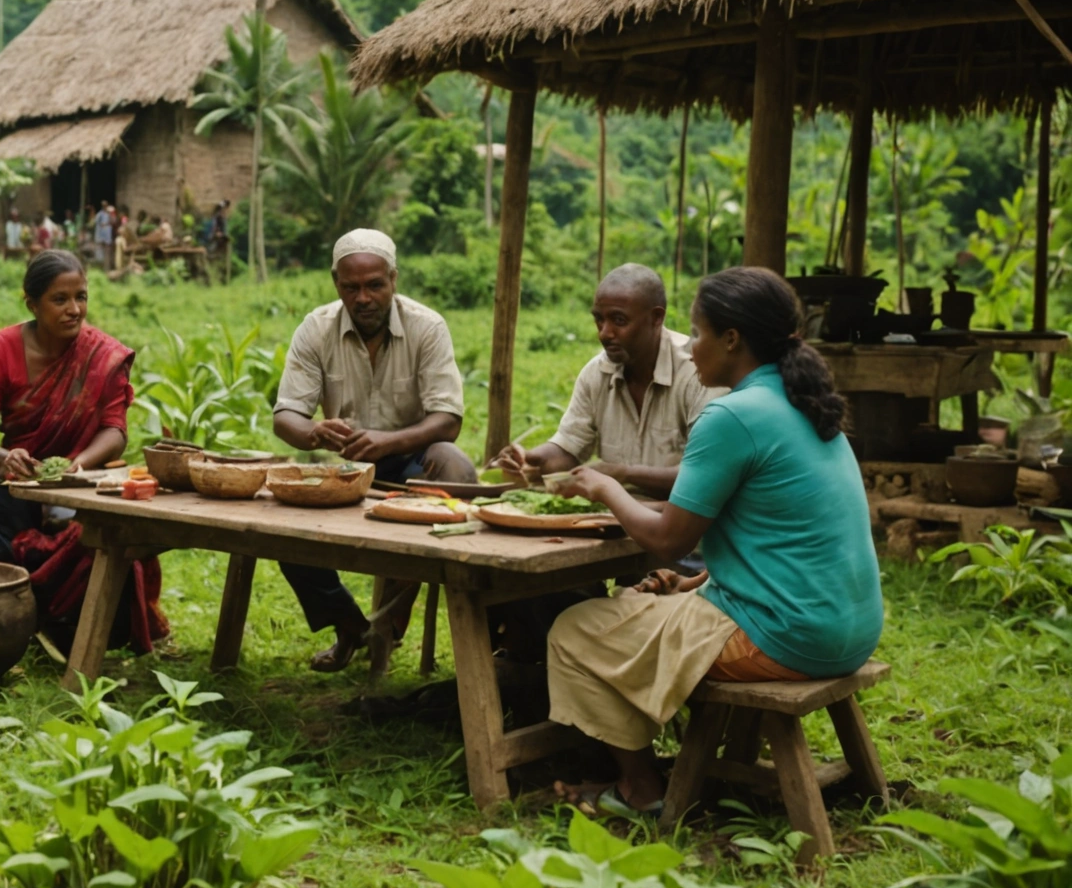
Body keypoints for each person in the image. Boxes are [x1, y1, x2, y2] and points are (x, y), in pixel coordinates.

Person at [546, 267, 883, 819]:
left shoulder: (731, 416)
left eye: (697, 333)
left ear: (732, 340)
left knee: (575, 631)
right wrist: (700, 580)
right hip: (850, 626)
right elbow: (775, 531)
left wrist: (606, 486)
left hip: (788, 636)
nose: (690, 347)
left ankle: (640, 788)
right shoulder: (802, 401)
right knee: (640, 606)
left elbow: (667, 537)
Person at [0, 250, 169, 654]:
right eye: (59, 300)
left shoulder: (104, 355)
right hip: (18, 481)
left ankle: (69, 621)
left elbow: (114, 432)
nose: (74, 309)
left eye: (81, 297)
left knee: (100, 533)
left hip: (83, 484)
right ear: (32, 303)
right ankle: (14, 614)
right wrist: (4, 458)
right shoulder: (2, 349)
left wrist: (77, 466)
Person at [272, 228, 476, 671]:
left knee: (457, 469)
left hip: (412, 460)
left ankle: (388, 624)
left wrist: (388, 440)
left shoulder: (427, 326)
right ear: (336, 284)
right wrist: (314, 433)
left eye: (374, 285)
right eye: (351, 287)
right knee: (277, 525)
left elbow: (448, 420)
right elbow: (285, 416)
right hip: (343, 465)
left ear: (394, 280)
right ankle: (348, 623)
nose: (363, 297)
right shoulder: (316, 328)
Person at [491, 264, 721, 499]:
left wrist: (623, 473)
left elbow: (704, 477)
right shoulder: (596, 374)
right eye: (599, 320)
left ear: (656, 318)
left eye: (619, 321)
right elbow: (569, 448)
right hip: (610, 518)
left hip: (677, 524)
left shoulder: (698, 373)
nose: (604, 333)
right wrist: (529, 459)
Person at [93, 204, 114, 268]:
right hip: (100, 235)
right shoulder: (99, 215)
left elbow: (111, 222)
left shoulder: (109, 215)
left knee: (107, 252)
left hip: (107, 237)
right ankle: (99, 265)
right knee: (99, 250)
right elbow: (97, 222)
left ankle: (107, 266)